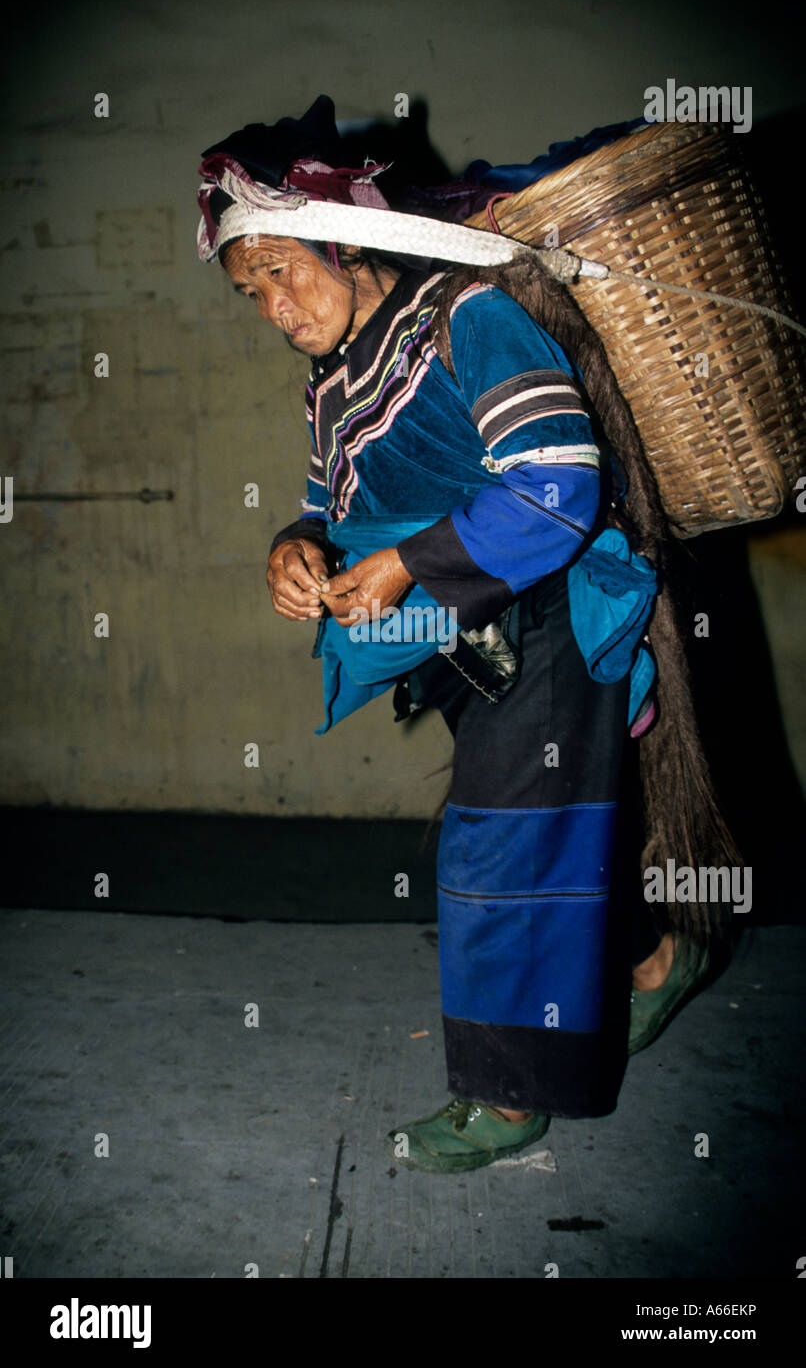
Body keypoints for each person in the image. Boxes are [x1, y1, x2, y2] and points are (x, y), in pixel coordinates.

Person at [196, 97, 738, 1173]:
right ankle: (651, 957)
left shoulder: (465, 317)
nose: (271, 305)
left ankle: (504, 1096)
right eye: (249, 288)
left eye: (279, 269)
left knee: (496, 847)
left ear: (342, 236)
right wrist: (295, 548)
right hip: (467, 635)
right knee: (546, 835)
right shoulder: (331, 383)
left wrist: (402, 564)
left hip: (546, 612)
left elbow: (556, 485)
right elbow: (334, 508)